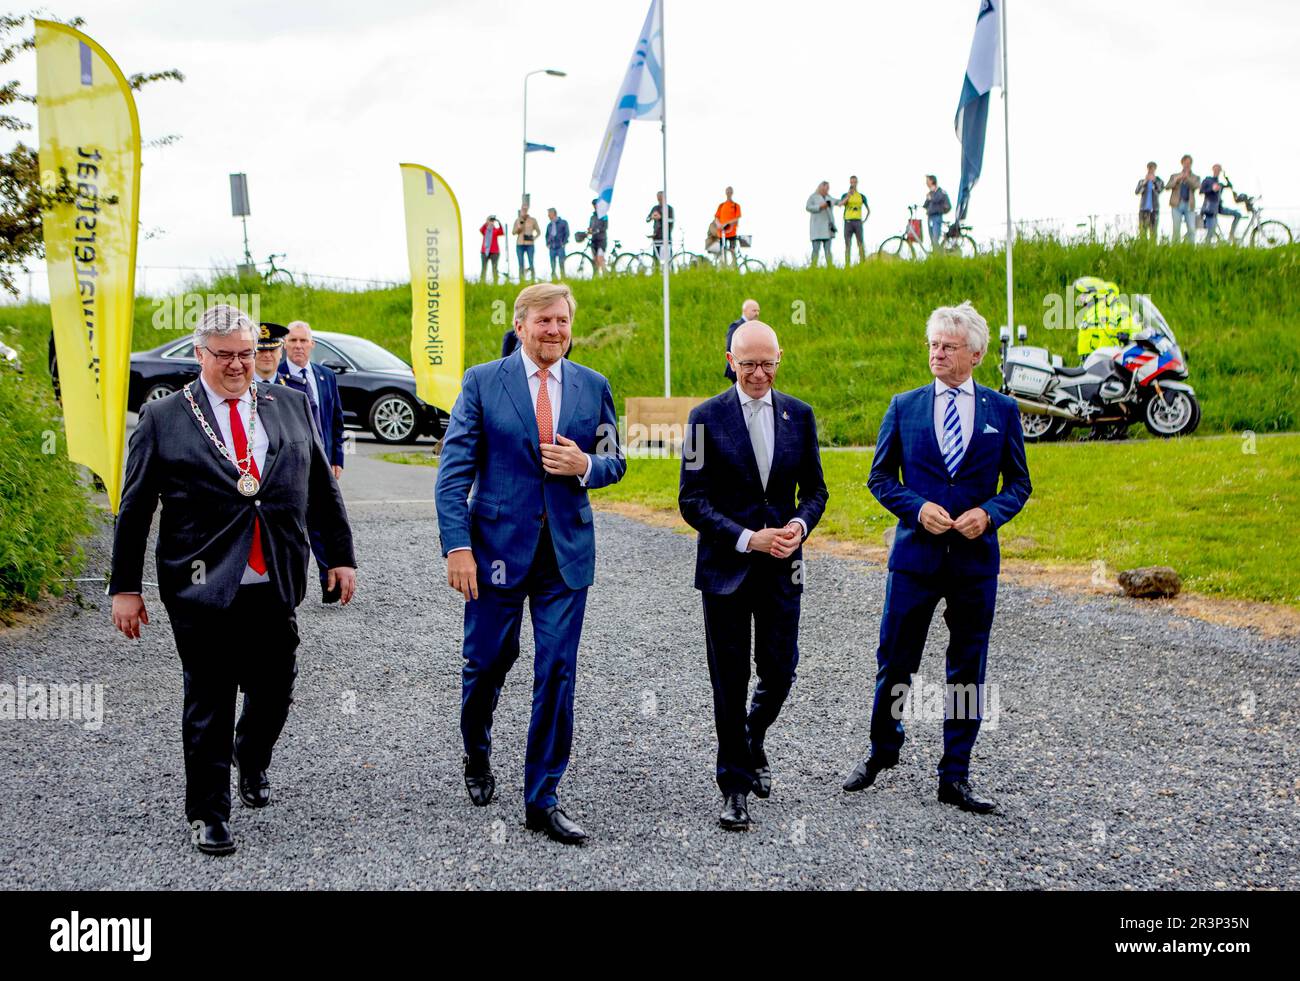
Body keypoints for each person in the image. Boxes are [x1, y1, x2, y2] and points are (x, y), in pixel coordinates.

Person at [109, 305, 356, 856]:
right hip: (201, 582)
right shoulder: (166, 417)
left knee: (274, 688)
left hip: (274, 578)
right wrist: (125, 587)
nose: (240, 365)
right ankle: (208, 813)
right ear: (200, 355)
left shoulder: (289, 405)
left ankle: (251, 751)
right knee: (209, 696)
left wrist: (339, 555)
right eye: (226, 355)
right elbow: (135, 508)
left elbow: (320, 486)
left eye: (247, 353)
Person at [434, 282, 626, 845]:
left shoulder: (594, 386)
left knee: (557, 670)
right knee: (487, 663)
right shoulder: (482, 382)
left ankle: (543, 797)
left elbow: (616, 459)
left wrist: (584, 462)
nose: (555, 331)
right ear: (520, 326)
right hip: (494, 552)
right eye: (544, 321)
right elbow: (453, 474)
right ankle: (477, 753)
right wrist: (458, 547)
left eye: (562, 321)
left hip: (565, 556)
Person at [842, 301, 1031, 814]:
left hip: (974, 564)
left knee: (968, 670)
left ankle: (956, 774)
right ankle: (882, 751)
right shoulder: (904, 406)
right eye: (932, 345)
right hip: (914, 562)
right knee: (895, 662)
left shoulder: (1002, 412)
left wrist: (989, 514)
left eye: (948, 346)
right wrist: (917, 507)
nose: (937, 353)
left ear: (974, 354)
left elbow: (1019, 484)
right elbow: (879, 478)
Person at [680, 321, 828, 830]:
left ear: (779, 358)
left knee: (781, 670)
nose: (759, 373)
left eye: (768, 363)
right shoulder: (703, 419)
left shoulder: (800, 415)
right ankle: (735, 785)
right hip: (725, 569)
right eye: (748, 365)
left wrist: (799, 524)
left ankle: (752, 736)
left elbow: (816, 491)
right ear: (730, 360)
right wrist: (747, 537)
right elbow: (691, 501)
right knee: (730, 679)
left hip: (782, 568)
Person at [279, 320, 348, 602]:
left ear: (312, 345)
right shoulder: (275, 376)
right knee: (294, 527)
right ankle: (288, 588)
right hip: (290, 465)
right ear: (284, 344)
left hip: (321, 464)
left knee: (324, 523)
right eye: (292, 341)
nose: (297, 346)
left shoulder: (325, 376)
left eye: (302, 341)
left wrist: (337, 458)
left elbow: (336, 421)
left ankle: (329, 585)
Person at [1200, 163, 1240, 244]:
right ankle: (1206, 246)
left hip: (1219, 208)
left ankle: (1231, 236)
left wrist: (1226, 177)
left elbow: (1230, 186)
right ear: (1213, 169)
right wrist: (1212, 189)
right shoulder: (1207, 180)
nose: (1217, 171)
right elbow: (1201, 191)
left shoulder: (1220, 183)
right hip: (1209, 208)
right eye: (1216, 169)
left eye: (1219, 170)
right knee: (1211, 231)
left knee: (1238, 214)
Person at [723, 298, 761, 383]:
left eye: (758, 311)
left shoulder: (755, 326)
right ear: (745, 311)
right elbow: (730, 347)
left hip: (750, 367)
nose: (757, 313)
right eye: (754, 311)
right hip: (738, 367)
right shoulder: (736, 326)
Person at [837, 175, 870, 264]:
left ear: (857, 183)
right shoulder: (845, 195)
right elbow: (840, 204)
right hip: (848, 222)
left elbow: (868, 210)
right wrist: (848, 196)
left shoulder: (861, 196)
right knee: (848, 244)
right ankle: (847, 264)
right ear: (849, 183)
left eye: (854, 182)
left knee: (860, 244)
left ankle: (862, 263)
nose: (853, 184)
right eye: (851, 182)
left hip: (858, 222)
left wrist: (864, 221)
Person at [1167, 155, 1199, 244]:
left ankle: (1191, 249)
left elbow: (1196, 186)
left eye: (1189, 163)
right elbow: (1167, 186)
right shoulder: (1175, 175)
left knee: (1192, 229)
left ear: (1191, 164)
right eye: (1185, 163)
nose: (1187, 165)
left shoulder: (1195, 177)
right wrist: (1177, 180)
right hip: (1176, 205)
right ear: (1182, 163)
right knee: (1176, 229)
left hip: (1189, 205)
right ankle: (1175, 248)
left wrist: (1187, 178)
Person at [806, 180, 836, 267]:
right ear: (821, 187)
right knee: (816, 250)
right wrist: (820, 207)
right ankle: (813, 267)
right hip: (817, 229)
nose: (827, 190)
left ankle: (830, 267)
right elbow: (808, 207)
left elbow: (838, 202)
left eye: (828, 189)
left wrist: (847, 197)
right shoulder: (813, 197)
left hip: (827, 228)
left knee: (828, 250)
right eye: (826, 188)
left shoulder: (829, 197)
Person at [1135, 162, 1165, 241]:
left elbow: (1160, 190)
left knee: (1153, 231)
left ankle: (1153, 249)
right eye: (1149, 168)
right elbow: (1137, 192)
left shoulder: (1159, 181)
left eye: (1152, 168)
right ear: (1147, 169)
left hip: (1154, 209)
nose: (1151, 170)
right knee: (1142, 231)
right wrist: (1145, 182)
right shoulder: (1142, 181)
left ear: (1155, 169)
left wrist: (1154, 181)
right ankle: (1143, 248)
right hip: (1143, 209)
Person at [512, 206, 541, 281]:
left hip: (530, 244)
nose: (524, 211)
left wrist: (533, 238)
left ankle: (532, 279)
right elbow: (513, 232)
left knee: (531, 262)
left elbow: (538, 232)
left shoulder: (532, 220)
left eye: (525, 209)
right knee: (521, 263)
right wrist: (519, 228)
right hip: (520, 244)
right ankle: (522, 280)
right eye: (523, 209)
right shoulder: (518, 220)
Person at [646, 191, 675, 266]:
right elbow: (647, 219)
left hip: (666, 235)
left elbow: (671, 220)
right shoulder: (655, 208)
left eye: (660, 197)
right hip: (656, 235)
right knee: (655, 255)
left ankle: (670, 269)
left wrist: (661, 217)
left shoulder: (669, 208)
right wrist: (651, 217)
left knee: (668, 256)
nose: (659, 199)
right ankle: (656, 270)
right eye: (658, 198)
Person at [924, 175, 951, 251]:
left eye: (927, 181)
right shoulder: (930, 193)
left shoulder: (940, 191)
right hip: (930, 217)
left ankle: (939, 255)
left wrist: (930, 197)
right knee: (932, 239)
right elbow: (926, 205)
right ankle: (936, 255)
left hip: (937, 217)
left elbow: (937, 199)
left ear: (932, 181)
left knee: (935, 238)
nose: (926, 183)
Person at [714, 186, 741, 257]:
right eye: (727, 191)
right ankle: (724, 266)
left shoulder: (736, 206)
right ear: (725, 193)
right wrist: (719, 224)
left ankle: (734, 266)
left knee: (732, 251)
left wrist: (727, 223)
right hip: (722, 233)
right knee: (723, 251)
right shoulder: (721, 205)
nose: (729, 193)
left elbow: (737, 218)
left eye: (730, 191)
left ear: (732, 193)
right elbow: (716, 217)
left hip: (732, 233)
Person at [545, 207, 570, 280]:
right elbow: (547, 235)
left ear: (553, 213)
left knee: (561, 262)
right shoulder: (549, 225)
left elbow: (567, 233)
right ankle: (554, 278)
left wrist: (564, 242)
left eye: (549, 214)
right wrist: (547, 243)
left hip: (560, 245)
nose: (548, 215)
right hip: (552, 246)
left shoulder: (563, 222)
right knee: (552, 263)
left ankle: (563, 277)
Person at [479, 215, 504, 283]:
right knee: (483, 268)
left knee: (494, 268)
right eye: (491, 220)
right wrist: (486, 222)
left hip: (495, 252)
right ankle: (482, 282)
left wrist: (498, 222)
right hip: (484, 252)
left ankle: (495, 282)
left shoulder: (496, 230)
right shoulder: (485, 230)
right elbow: (481, 230)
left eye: (492, 221)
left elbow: (502, 232)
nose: (491, 222)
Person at [587, 199, 609, 275]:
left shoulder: (604, 216)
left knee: (600, 258)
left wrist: (598, 230)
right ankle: (597, 276)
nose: (594, 206)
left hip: (602, 240)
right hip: (594, 240)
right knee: (595, 260)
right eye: (593, 205)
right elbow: (590, 227)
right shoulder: (592, 217)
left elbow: (605, 227)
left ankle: (606, 275)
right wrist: (589, 230)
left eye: (595, 205)